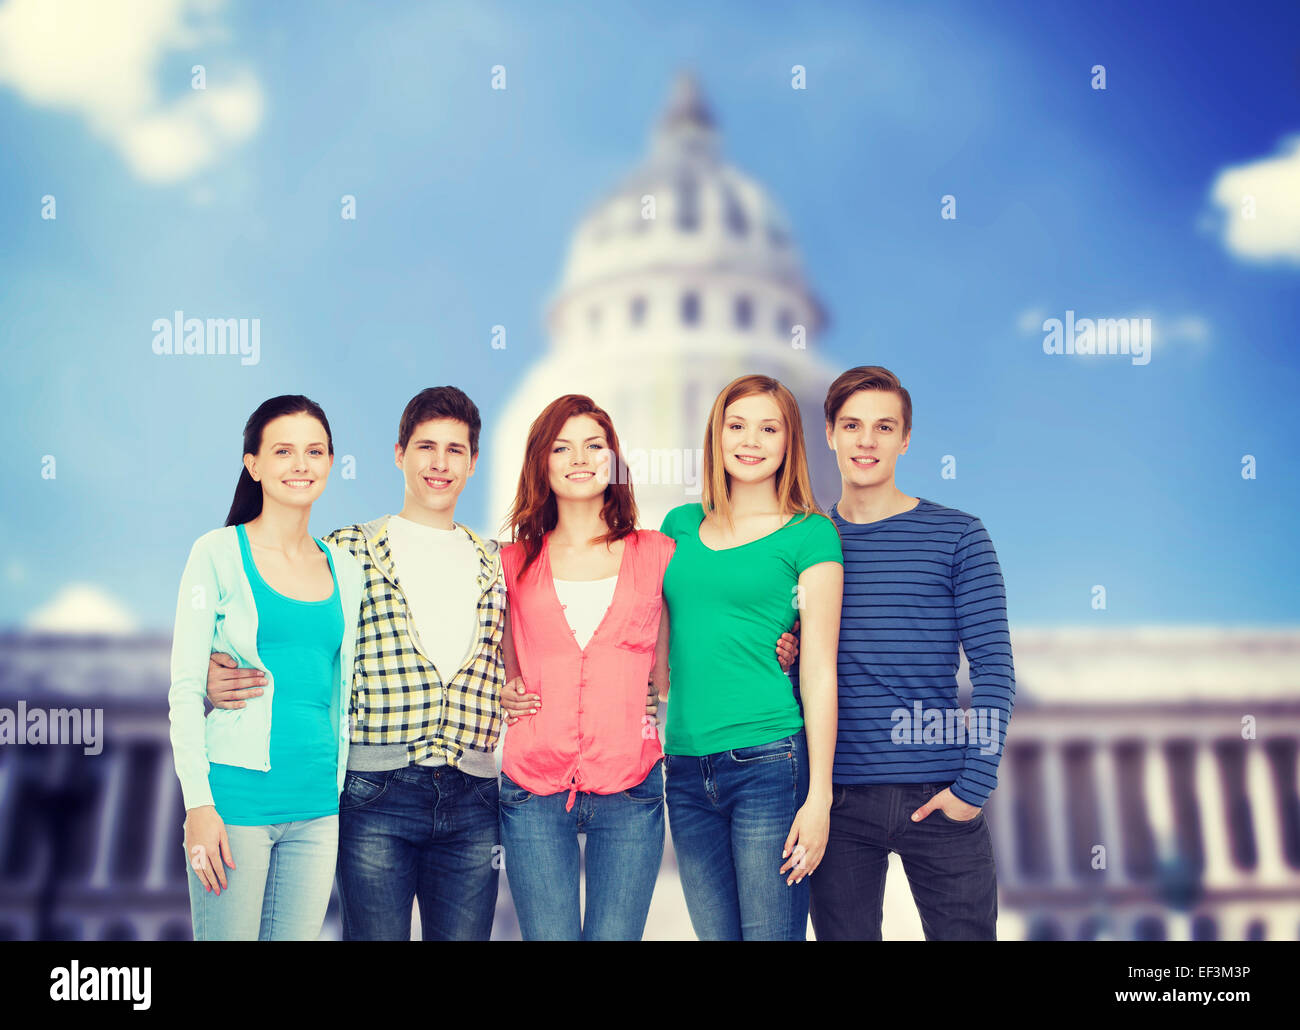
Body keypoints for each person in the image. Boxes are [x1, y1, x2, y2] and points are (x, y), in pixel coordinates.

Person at [206, 386, 506, 940]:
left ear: (473, 462)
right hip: (375, 790)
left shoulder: (498, 561)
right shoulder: (346, 551)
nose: (440, 464)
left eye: (455, 451)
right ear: (399, 454)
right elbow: (283, 619)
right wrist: (212, 665)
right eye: (425, 447)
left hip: (473, 797)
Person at [495, 394, 800, 940]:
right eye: (562, 447)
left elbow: (719, 603)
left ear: (615, 461)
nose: (580, 458)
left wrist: (784, 635)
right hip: (532, 788)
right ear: (540, 461)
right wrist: (502, 688)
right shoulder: (509, 561)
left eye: (595, 446)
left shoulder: (660, 551)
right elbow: (488, 657)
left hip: (631, 788)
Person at [799, 365, 1015, 941]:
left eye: (883, 427)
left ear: (905, 438)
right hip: (836, 803)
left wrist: (973, 789)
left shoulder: (959, 536)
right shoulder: (804, 541)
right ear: (829, 433)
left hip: (938, 796)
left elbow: (994, 671)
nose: (866, 441)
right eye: (852, 425)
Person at [168, 395, 363, 940]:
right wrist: (198, 807)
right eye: (283, 451)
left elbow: (337, 684)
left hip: (319, 805)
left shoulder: (346, 570)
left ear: (329, 462)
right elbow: (184, 689)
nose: (301, 465)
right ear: (253, 464)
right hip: (235, 803)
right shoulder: (216, 554)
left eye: (314, 451)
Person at [657, 374, 843, 941]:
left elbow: (817, 670)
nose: (751, 441)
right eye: (736, 426)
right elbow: (655, 651)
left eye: (769, 428)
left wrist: (819, 799)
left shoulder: (811, 535)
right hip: (685, 768)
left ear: (790, 443)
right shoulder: (678, 526)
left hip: (769, 761)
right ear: (716, 436)